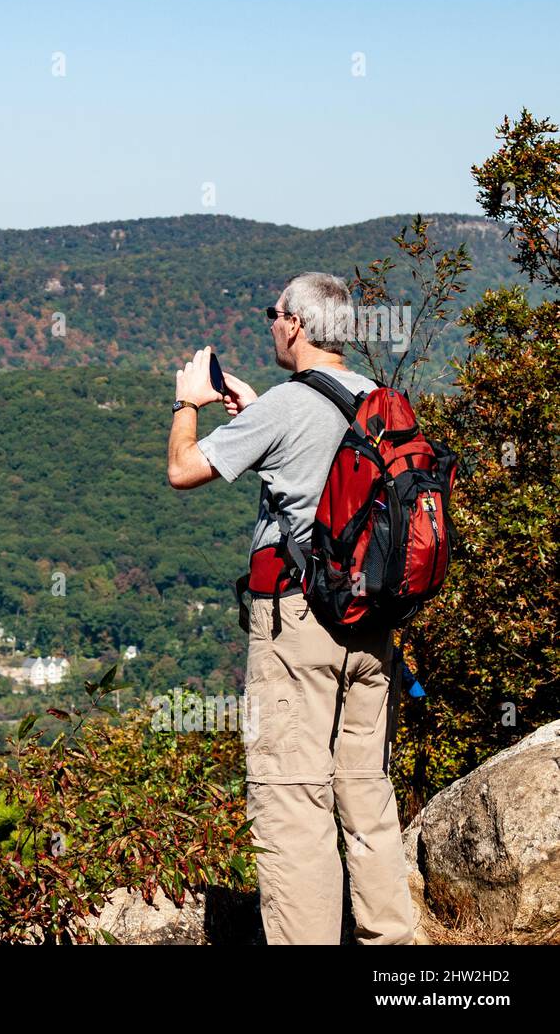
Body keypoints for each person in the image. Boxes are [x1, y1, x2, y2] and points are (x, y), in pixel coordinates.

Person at [165, 271, 416, 945]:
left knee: (292, 796)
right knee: (365, 788)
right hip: (373, 628)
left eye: (274, 313)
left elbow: (183, 471)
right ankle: (390, 941)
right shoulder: (380, 402)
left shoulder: (286, 404)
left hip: (299, 623)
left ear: (296, 326)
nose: (270, 322)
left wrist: (187, 404)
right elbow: (322, 470)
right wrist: (255, 416)